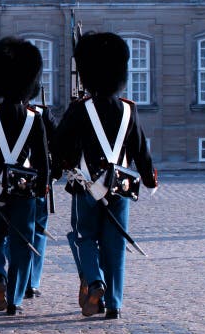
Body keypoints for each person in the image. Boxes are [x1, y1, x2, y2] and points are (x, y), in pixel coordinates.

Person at [53, 32, 157, 319]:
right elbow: (140, 149)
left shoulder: (79, 109)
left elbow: (59, 144)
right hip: (121, 187)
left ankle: (95, 281)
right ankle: (114, 303)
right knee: (115, 244)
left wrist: (61, 166)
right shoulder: (128, 109)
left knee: (84, 237)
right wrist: (149, 179)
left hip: (87, 185)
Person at [0, 37, 49, 316]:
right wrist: (42, 189)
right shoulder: (33, 116)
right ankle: (14, 300)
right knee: (22, 244)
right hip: (25, 191)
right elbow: (41, 159)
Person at [26, 99, 57, 299]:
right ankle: (32, 281)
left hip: (11, 185)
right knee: (37, 232)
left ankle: (19, 278)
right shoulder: (42, 114)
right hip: (37, 182)